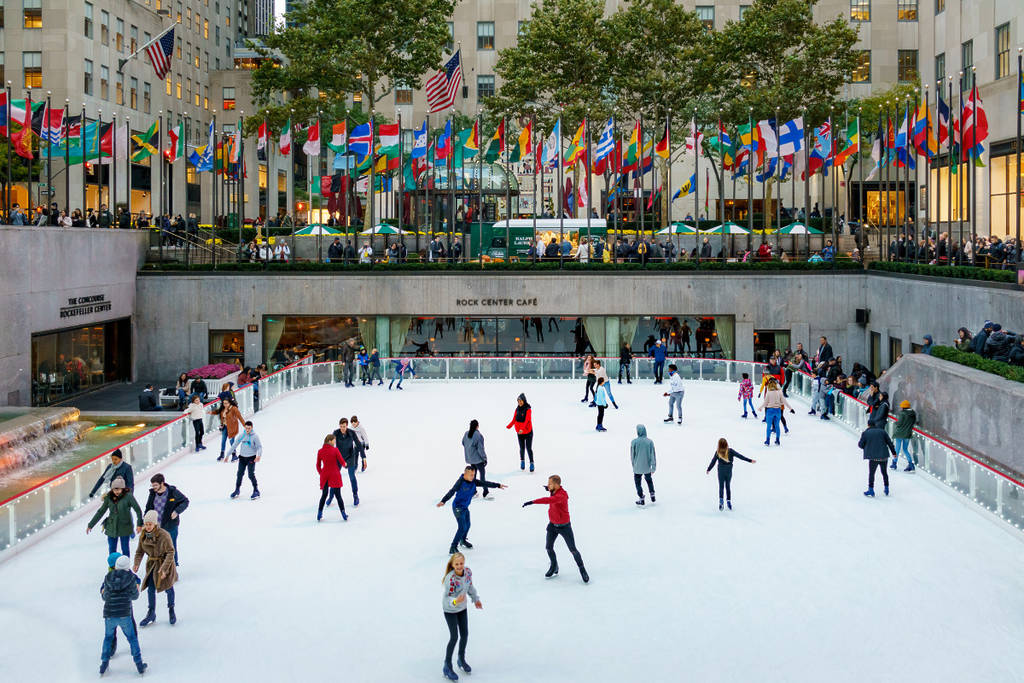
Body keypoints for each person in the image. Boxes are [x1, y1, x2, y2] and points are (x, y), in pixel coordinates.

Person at [521, 475, 589, 583]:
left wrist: (532, 502)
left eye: (550, 484)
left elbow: (548, 500)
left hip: (564, 527)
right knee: (548, 547)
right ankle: (554, 565)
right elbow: (551, 493)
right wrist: (549, 489)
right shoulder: (554, 491)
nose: (548, 485)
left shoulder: (562, 495)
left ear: (557, 485)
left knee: (573, 550)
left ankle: (582, 569)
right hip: (552, 525)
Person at [437, 466, 507, 554]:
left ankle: (462, 540)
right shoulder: (460, 482)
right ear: (465, 474)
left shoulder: (473, 481)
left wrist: (497, 485)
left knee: (468, 525)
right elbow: (452, 491)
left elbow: (485, 483)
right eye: (470, 475)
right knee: (462, 527)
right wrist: (443, 500)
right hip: (458, 507)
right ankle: (453, 547)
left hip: (465, 507)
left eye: (473, 475)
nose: (472, 477)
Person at [99, 554, 146, 675]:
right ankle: (139, 664)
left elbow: (105, 596)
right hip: (124, 613)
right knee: (132, 638)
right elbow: (135, 596)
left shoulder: (108, 577)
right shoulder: (131, 578)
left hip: (109, 614)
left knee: (108, 638)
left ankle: (104, 664)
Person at [441, 552, 482, 681]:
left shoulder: (468, 573)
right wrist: (455, 601)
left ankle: (461, 658)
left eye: (461, 563)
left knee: (464, 634)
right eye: (457, 564)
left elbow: (469, 587)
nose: (459, 566)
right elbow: (447, 598)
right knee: (454, 636)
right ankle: (447, 665)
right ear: (452, 565)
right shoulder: (450, 579)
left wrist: (475, 599)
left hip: (462, 608)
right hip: (450, 610)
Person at [134, 510, 178, 627]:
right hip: (152, 565)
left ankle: (171, 609)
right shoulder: (143, 535)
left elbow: (170, 552)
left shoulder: (164, 535)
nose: (148, 527)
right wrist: (136, 563)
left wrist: (164, 568)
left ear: (155, 524)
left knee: (168, 588)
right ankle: (151, 612)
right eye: (146, 524)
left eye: (150, 524)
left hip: (165, 564)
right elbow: (139, 551)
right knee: (150, 589)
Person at [87, 477, 143, 556]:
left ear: (122, 488)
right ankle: (112, 567)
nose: (117, 491)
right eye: (115, 489)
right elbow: (101, 512)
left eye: (119, 489)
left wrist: (139, 524)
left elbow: (138, 510)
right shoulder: (108, 498)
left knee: (125, 548)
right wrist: (91, 525)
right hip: (112, 526)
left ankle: (125, 567)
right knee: (112, 549)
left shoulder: (128, 497)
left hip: (125, 526)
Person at [142, 474, 189, 566]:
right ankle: (160, 566)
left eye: (155, 485)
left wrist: (176, 511)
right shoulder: (152, 493)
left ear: (162, 483)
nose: (153, 487)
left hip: (170, 525)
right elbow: (148, 507)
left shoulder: (172, 492)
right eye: (152, 485)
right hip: (156, 526)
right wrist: (145, 521)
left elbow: (185, 501)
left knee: (170, 546)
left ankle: (173, 566)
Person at [706, 438, 755, 511]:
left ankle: (721, 501)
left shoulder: (718, 452)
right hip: (728, 471)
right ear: (726, 444)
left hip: (721, 471)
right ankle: (728, 501)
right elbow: (740, 456)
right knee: (728, 486)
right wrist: (750, 460)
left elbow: (713, 461)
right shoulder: (730, 451)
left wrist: (708, 469)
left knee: (721, 486)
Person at [858, 421, 897, 497]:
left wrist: (867, 446)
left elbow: (860, 445)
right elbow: (889, 443)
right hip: (884, 456)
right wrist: (894, 453)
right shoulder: (882, 432)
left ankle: (871, 490)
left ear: (868, 425)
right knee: (884, 473)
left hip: (873, 458)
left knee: (872, 473)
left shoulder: (866, 433)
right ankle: (886, 488)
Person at [330, 417, 363, 506]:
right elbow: (330, 444)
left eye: (344, 426)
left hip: (350, 457)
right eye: (341, 426)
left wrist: (363, 457)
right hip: (339, 457)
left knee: (352, 477)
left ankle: (355, 496)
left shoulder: (351, 433)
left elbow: (359, 444)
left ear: (347, 426)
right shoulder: (336, 433)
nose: (342, 428)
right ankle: (330, 496)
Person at [316, 434, 348, 522]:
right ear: (330, 441)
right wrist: (345, 464)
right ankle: (343, 513)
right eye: (334, 440)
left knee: (324, 494)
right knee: (338, 495)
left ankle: (319, 513)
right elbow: (341, 461)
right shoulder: (335, 450)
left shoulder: (320, 451)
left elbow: (318, 465)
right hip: (335, 474)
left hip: (325, 475)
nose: (335, 442)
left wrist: (321, 473)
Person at [229, 421, 262, 500]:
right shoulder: (242, 435)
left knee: (250, 474)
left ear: (252, 428)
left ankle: (256, 490)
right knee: (239, 474)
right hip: (242, 458)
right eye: (246, 428)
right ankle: (237, 490)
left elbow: (259, 447)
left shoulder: (255, 436)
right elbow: (235, 444)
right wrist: (228, 454)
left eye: (249, 428)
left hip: (251, 458)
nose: (247, 430)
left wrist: (258, 455)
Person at [462, 420, 492, 499]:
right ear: (477, 426)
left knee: (473, 476)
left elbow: (463, 443)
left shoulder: (466, 433)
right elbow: (480, 449)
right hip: (478, 460)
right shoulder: (478, 435)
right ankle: (485, 492)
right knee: (482, 476)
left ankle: (474, 492)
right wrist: (484, 458)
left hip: (470, 459)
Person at [758, 377, 793, 446]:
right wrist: (791, 408)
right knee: (777, 425)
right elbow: (784, 401)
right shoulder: (779, 392)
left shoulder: (768, 393)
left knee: (768, 426)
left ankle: (767, 440)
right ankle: (777, 440)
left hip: (770, 410)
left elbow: (765, 403)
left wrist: (760, 408)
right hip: (778, 411)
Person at [506, 393, 534, 472]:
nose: (519, 402)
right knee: (522, 448)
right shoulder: (517, 409)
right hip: (520, 433)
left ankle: (531, 463)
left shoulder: (528, 409)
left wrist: (522, 428)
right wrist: (509, 426)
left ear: (524, 400)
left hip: (528, 432)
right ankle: (522, 461)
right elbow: (514, 419)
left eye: (520, 401)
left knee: (528, 448)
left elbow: (527, 420)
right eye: (518, 401)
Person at [630, 425, 656, 506]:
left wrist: (634, 465)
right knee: (649, 480)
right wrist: (653, 467)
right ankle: (652, 493)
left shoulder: (634, 442)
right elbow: (653, 455)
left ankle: (641, 497)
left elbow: (632, 455)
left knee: (638, 482)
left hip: (637, 467)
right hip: (647, 467)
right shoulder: (650, 442)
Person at [890, 400, 917, 472]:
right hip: (908, 434)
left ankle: (894, 463)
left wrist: (896, 423)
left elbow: (899, 423)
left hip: (900, 433)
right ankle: (911, 464)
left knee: (897, 449)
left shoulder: (902, 414)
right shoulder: (913, 413)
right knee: (905, 449)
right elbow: (913, 422)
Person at [219, 398, 246, 462]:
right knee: (223, 441)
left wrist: (245, 425)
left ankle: (234, 455)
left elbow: (240, 417)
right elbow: (222, 418)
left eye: (226, 403)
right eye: (224, 403)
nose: (225, 405)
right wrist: (222, 424)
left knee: (232, 441)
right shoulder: (223, 409)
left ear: (230, 403)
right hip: (225, 427)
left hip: (232, 427)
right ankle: (222, 454)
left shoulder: (234, 409)